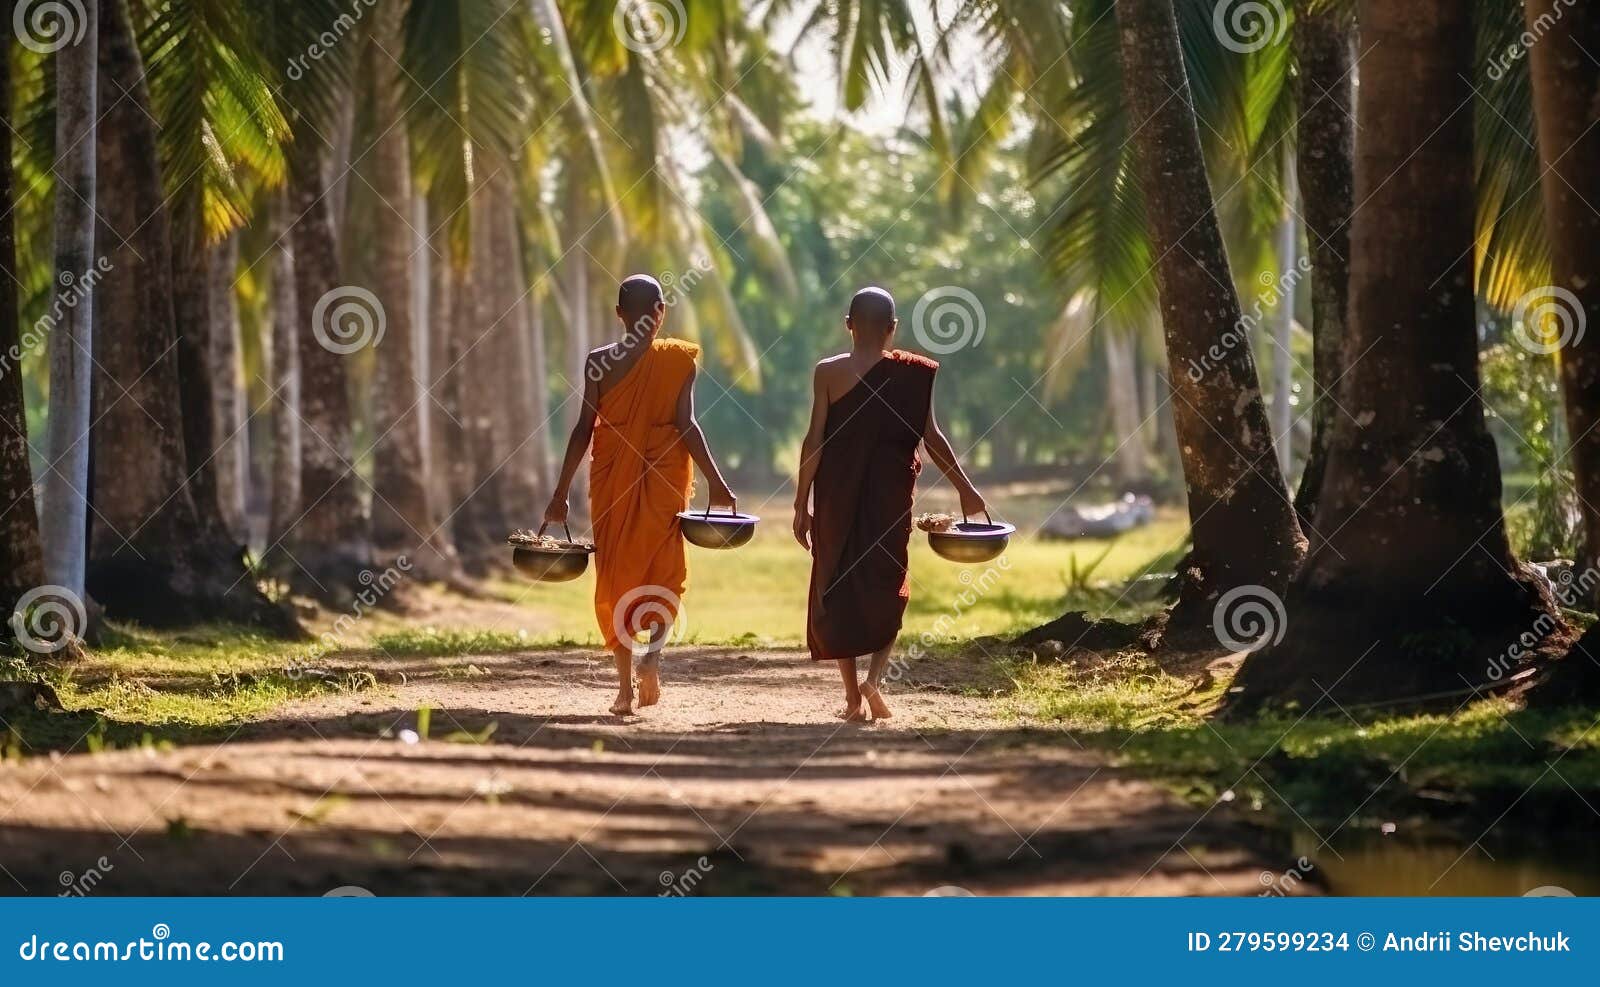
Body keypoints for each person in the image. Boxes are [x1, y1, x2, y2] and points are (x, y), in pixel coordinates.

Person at [544, 274, 736, 716]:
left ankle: (624, 691)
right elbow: (687, 425)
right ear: (661, 313)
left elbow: (581, 431)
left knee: (616, 576)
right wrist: (717, 483)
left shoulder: (599, 362)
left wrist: (559, 495)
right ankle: (653, 656)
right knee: (664, 571)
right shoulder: (678, 361)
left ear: (618, 315)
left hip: (612, 480)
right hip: (666, 478)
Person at [793, 286, 986, 721]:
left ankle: (850, 699)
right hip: (889, 500)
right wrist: (965, 488)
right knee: (889, 588)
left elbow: (813, 441)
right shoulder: (914, 374)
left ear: (848, 325)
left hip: (835, 501)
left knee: (837, 588)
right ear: (892, 328)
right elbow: (931, 438)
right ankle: (874, 680)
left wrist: (799, 502)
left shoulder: (827, 372)